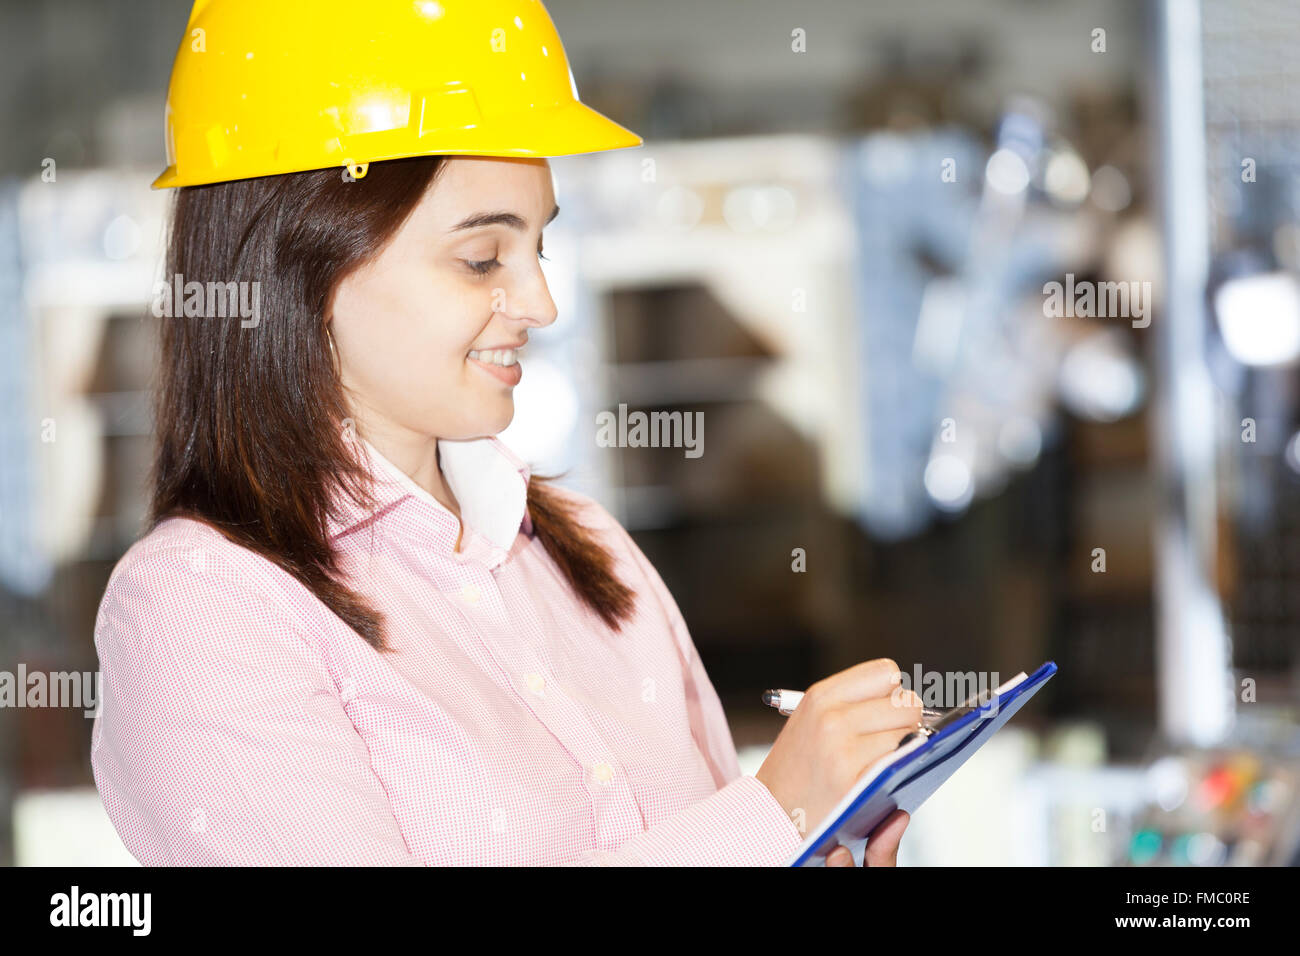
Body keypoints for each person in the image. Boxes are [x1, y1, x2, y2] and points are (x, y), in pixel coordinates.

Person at [91, 0, 920, 866]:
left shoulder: (584, 551)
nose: (539, 304)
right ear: (301, 268)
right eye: (482, 259)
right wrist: (770, 816)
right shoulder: (200, 608)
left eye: (537, 250)